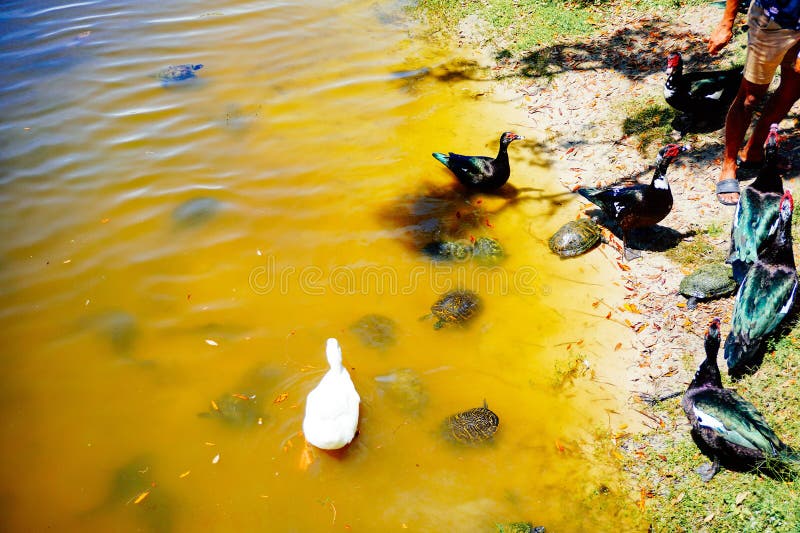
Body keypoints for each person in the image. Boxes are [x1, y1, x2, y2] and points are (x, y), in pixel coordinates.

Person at [709, 0, 800, 205]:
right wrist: (726, 22)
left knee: (792, 89)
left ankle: (754, 151)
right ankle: (729, 164)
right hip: (773, 20)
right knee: (750, 97)